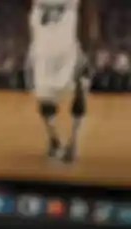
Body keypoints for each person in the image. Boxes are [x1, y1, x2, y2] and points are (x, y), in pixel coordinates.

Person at [28, 0, 99, 163]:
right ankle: (54, 139)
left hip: (68, 47)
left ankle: (73, 142)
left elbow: (89, 14)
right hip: (44, 49)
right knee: (45, 98)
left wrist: (88, 48)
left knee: (80, 91)